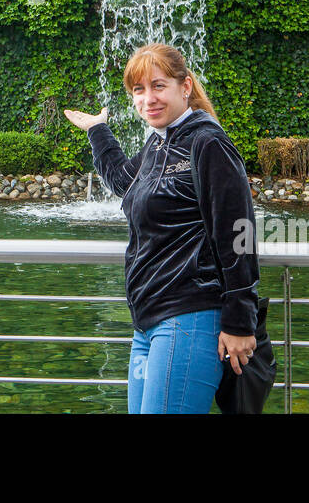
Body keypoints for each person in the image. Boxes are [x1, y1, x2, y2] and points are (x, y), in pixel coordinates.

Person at [64, 43, 259, 414]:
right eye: (139, 90)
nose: (148, 99)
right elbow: (124, 182)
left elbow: (239, 230)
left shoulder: (207, 143)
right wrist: (97, 129)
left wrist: (240, 319)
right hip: (147, 323)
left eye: (158, 86)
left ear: (184, 87)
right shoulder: (159, 141)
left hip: (189, 318)